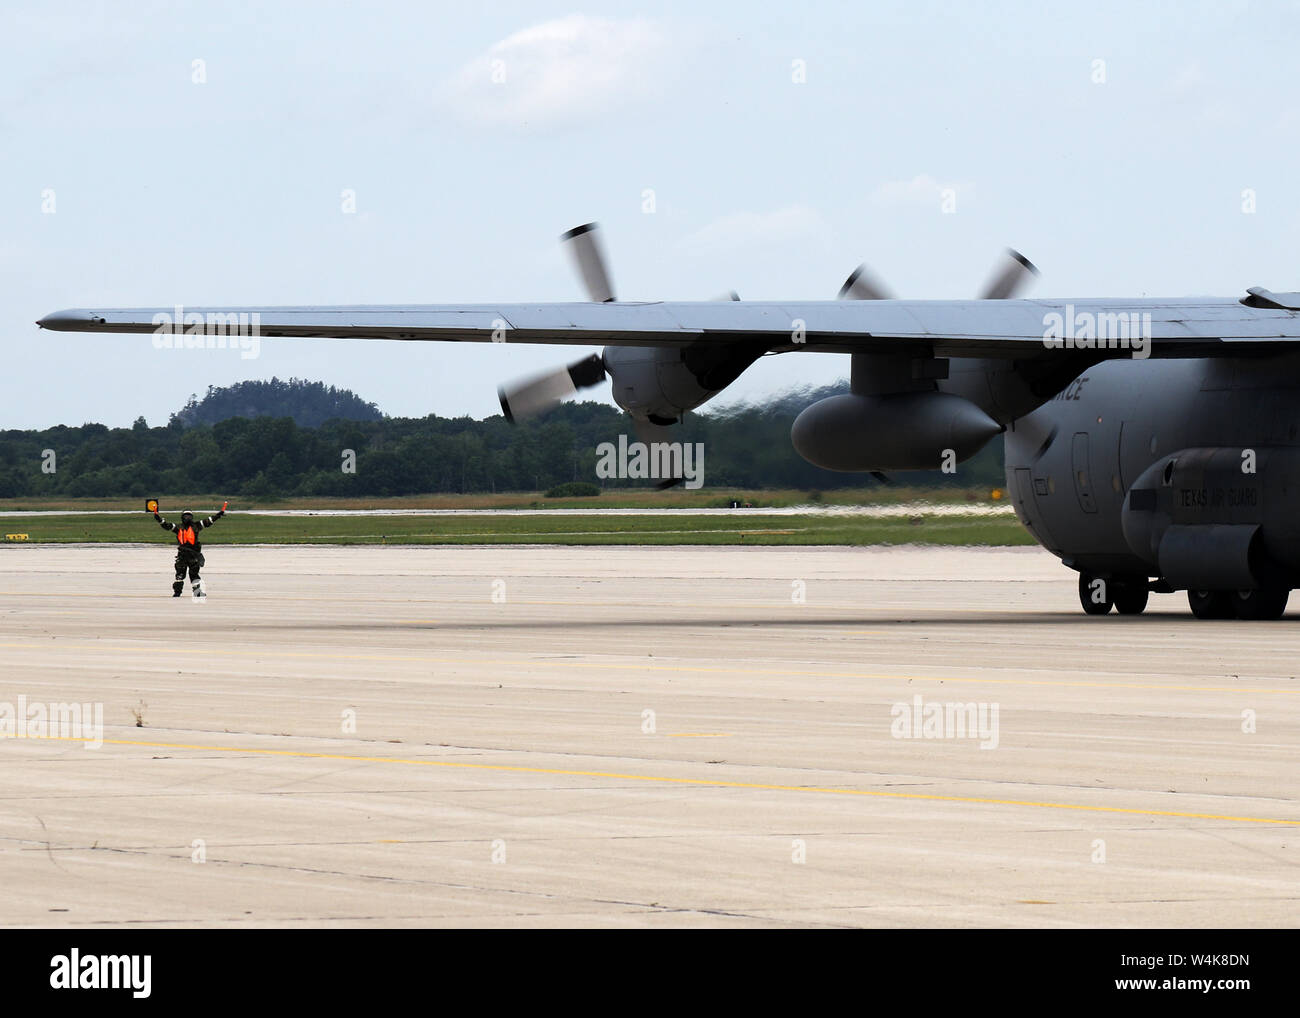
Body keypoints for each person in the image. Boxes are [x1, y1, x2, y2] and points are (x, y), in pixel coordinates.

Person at [154, 502, 228, 597]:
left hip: (193, 555)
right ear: (182, 517)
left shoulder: (197, 525)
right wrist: (159, 519)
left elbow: (209, 521)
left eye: (189, 515)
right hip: (182, 555)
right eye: (186, 516)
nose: (187, 517)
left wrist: (218, 515)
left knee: (194, 574)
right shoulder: (178, 527)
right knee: (180, 575)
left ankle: (197, 592)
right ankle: (177, 592)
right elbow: (166, 526)